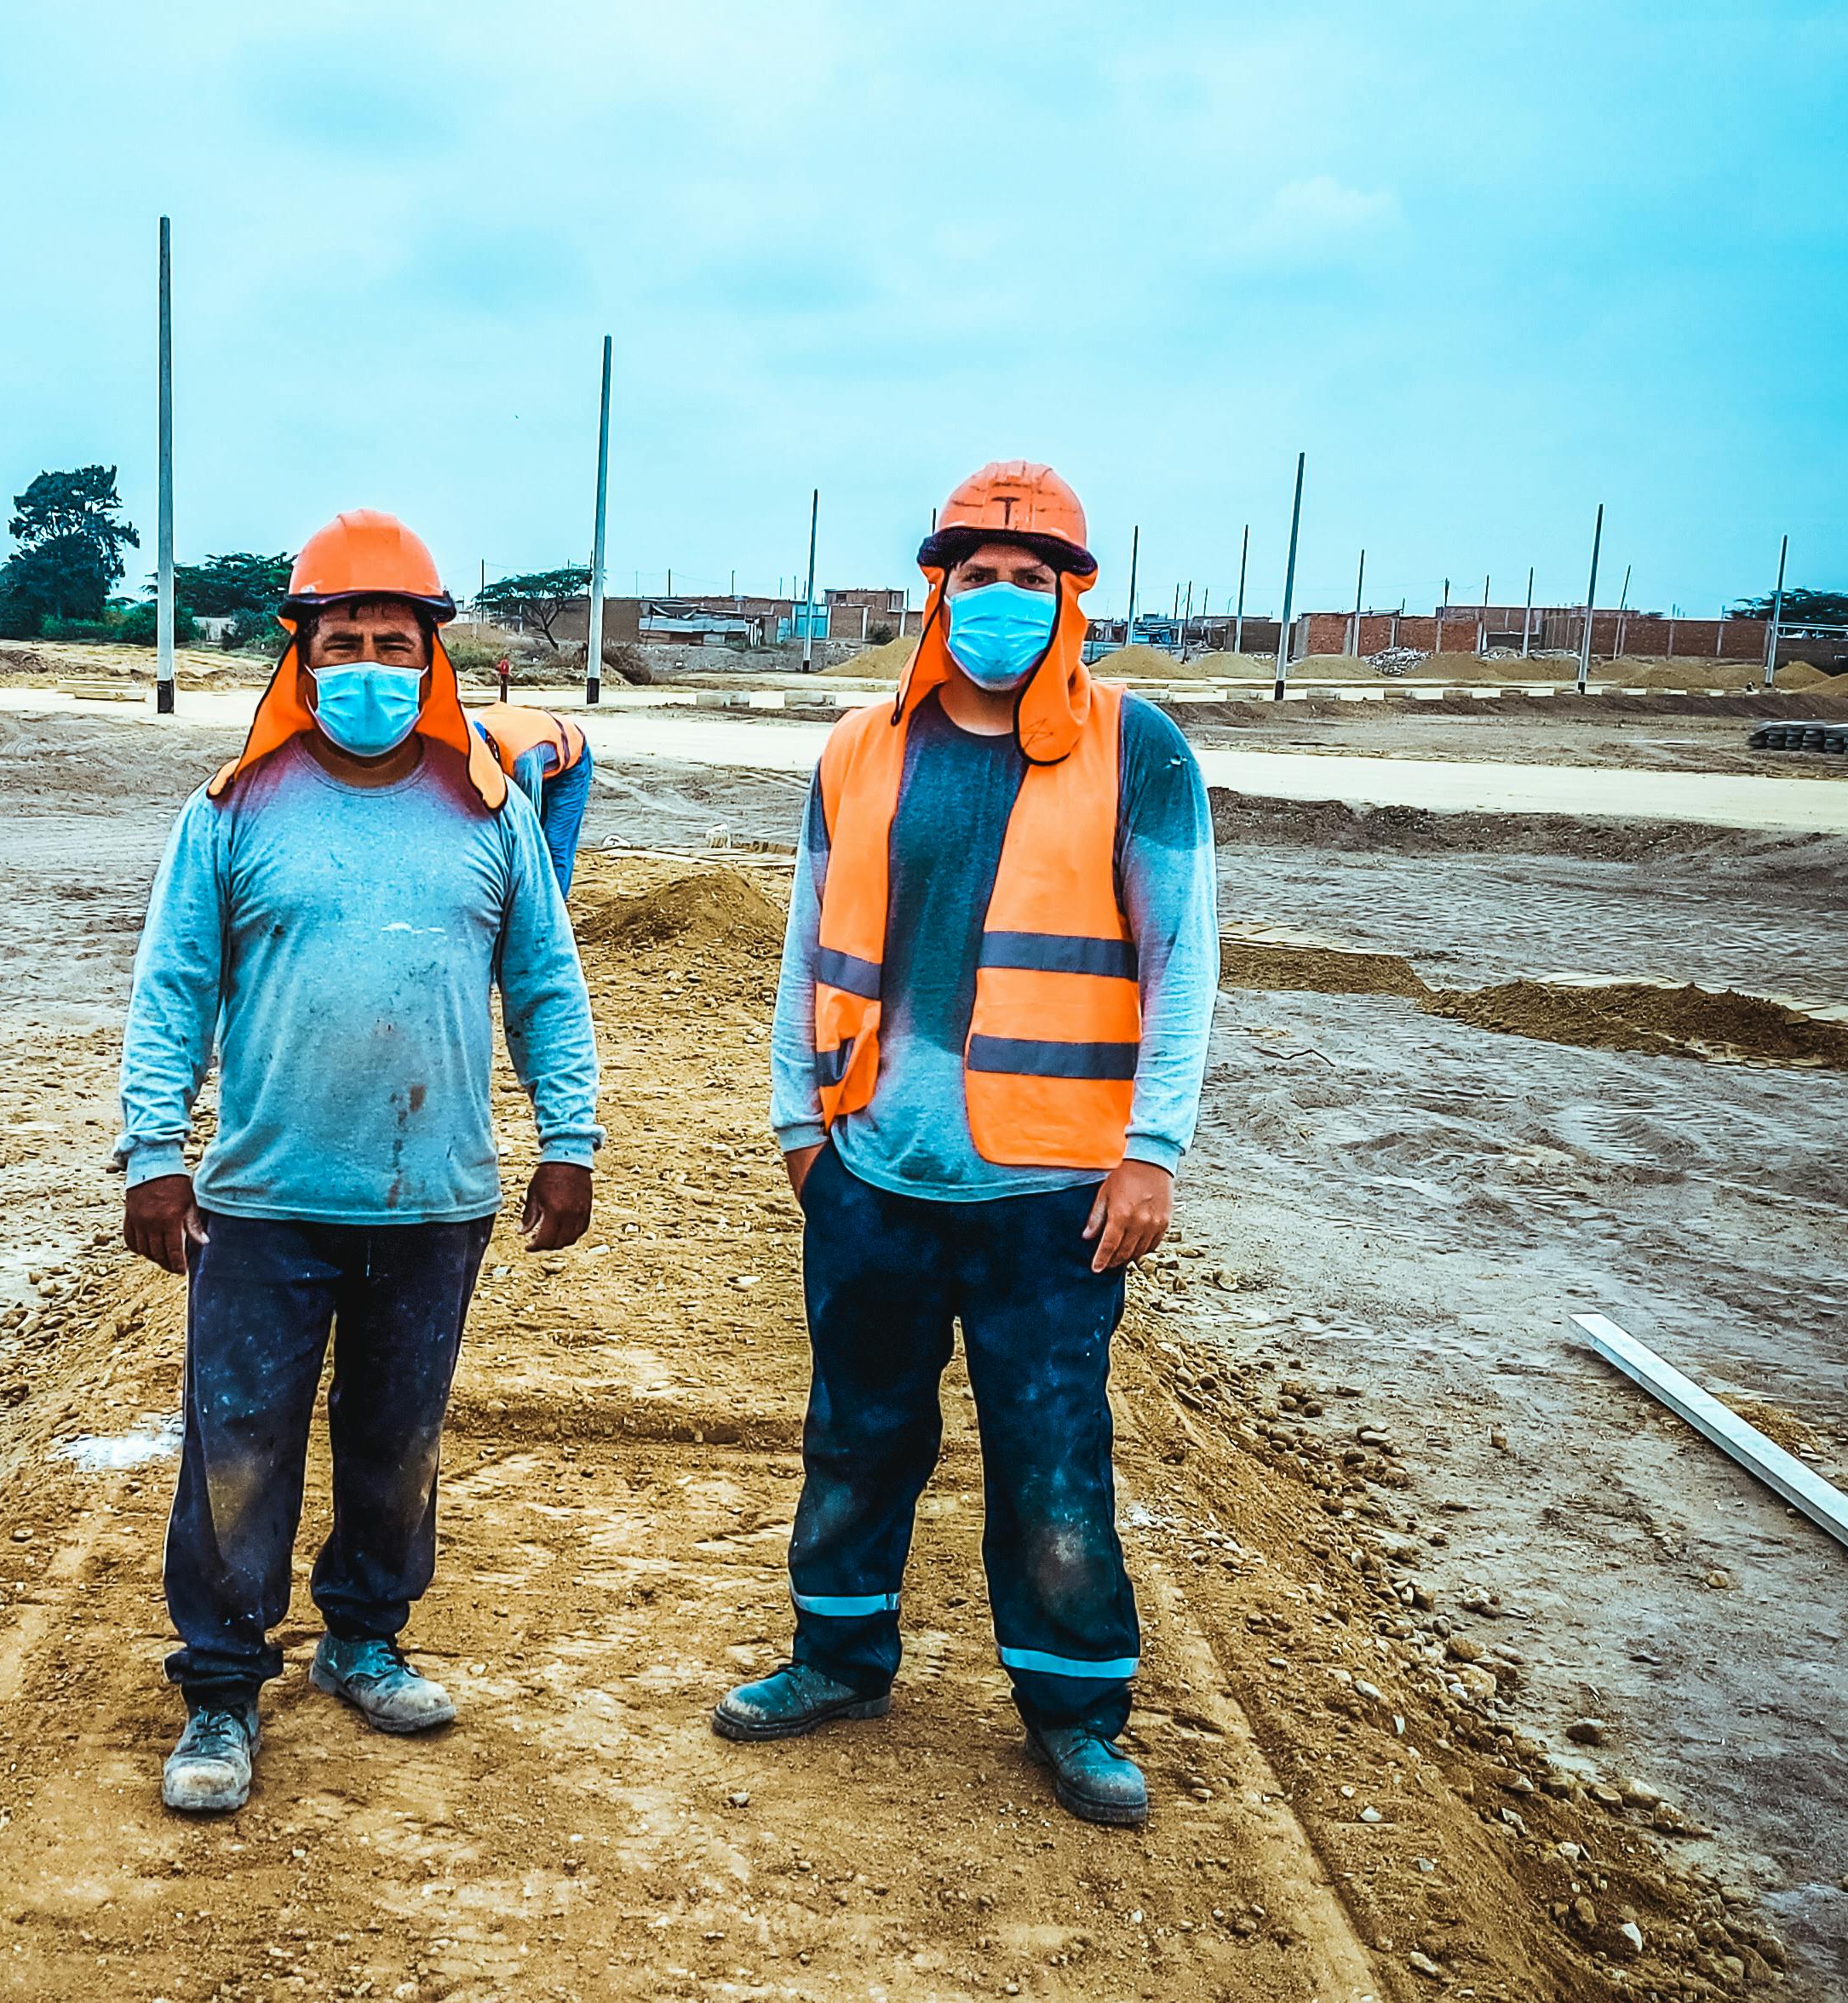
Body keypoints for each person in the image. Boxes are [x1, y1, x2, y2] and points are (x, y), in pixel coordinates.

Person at [713, 462, 1217, 1830]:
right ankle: (837, 1660)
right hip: (873, 1173)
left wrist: (1152, 1152)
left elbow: (1181, 961)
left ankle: (1075, 1710)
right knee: (857, 1434)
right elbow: (807, 942)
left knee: (1051, 1454)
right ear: (937, 586)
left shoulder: (1141, 750)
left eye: (1030, 579)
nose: (1002, 599)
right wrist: (801, 1128)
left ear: (1074, 597)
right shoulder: (861, 747)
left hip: (1050, 1194)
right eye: (977, 575)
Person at [118, 512, 600, 1819]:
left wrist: (569, 1140)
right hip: (262, 1202)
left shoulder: (489, 812)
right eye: (345, 643)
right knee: (240, 1448)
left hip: (435, 1199)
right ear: (303, 654)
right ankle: (223, 1688)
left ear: (434, 657)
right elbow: (173, 990)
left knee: (397, 1439)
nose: (371, 667)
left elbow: (545, 989)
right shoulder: (232, 811)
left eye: (396, 643)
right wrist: (154, 1151)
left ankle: (365, 1640)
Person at [468, 691, 595, 888]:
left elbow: (528, 824)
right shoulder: (479, 726)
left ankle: (553, 903)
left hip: (572, 766)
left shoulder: (523, 761)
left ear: (490, 746)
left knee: (554, 844)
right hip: (543, 757)